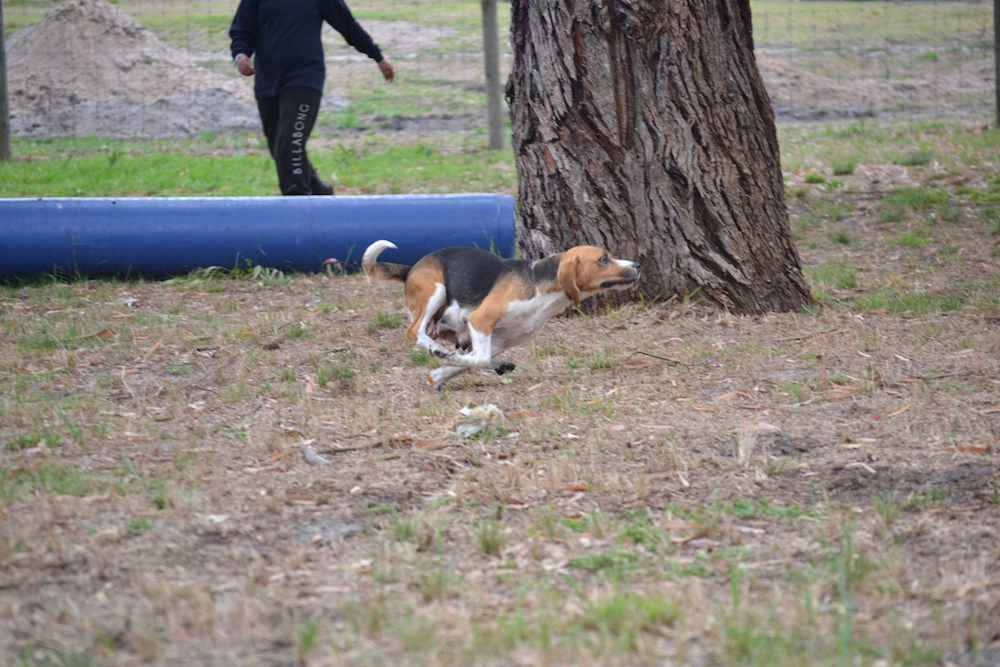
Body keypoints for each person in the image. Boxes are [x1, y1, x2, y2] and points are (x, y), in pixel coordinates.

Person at [230, 0, 394, 195]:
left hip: (304, 79)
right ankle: (320, 191)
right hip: (267, 81)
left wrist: (378, 56)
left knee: (289, 147)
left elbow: (347, 25)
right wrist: (240, 55)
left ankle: (298, 207)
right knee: (279, 149)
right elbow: (242, 29)